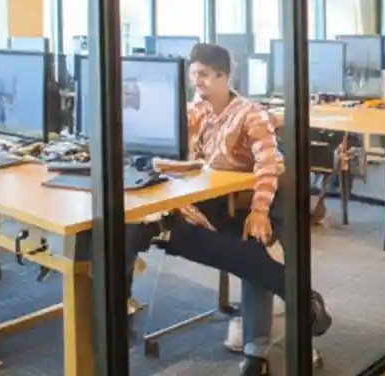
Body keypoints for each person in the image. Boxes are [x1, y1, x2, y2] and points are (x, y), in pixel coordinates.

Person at [125, 43, 330, 376]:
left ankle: (257, 350)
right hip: (213, 201)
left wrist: (261, 211)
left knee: (250, 248)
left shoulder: (251, 114)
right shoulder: (198, 111)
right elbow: (175, 150)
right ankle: (302, 300)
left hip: (252, 203)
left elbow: (270, 164)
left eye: (204, 76)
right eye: (194, 76)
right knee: (144, 226)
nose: (198, 83)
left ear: (224, 76)